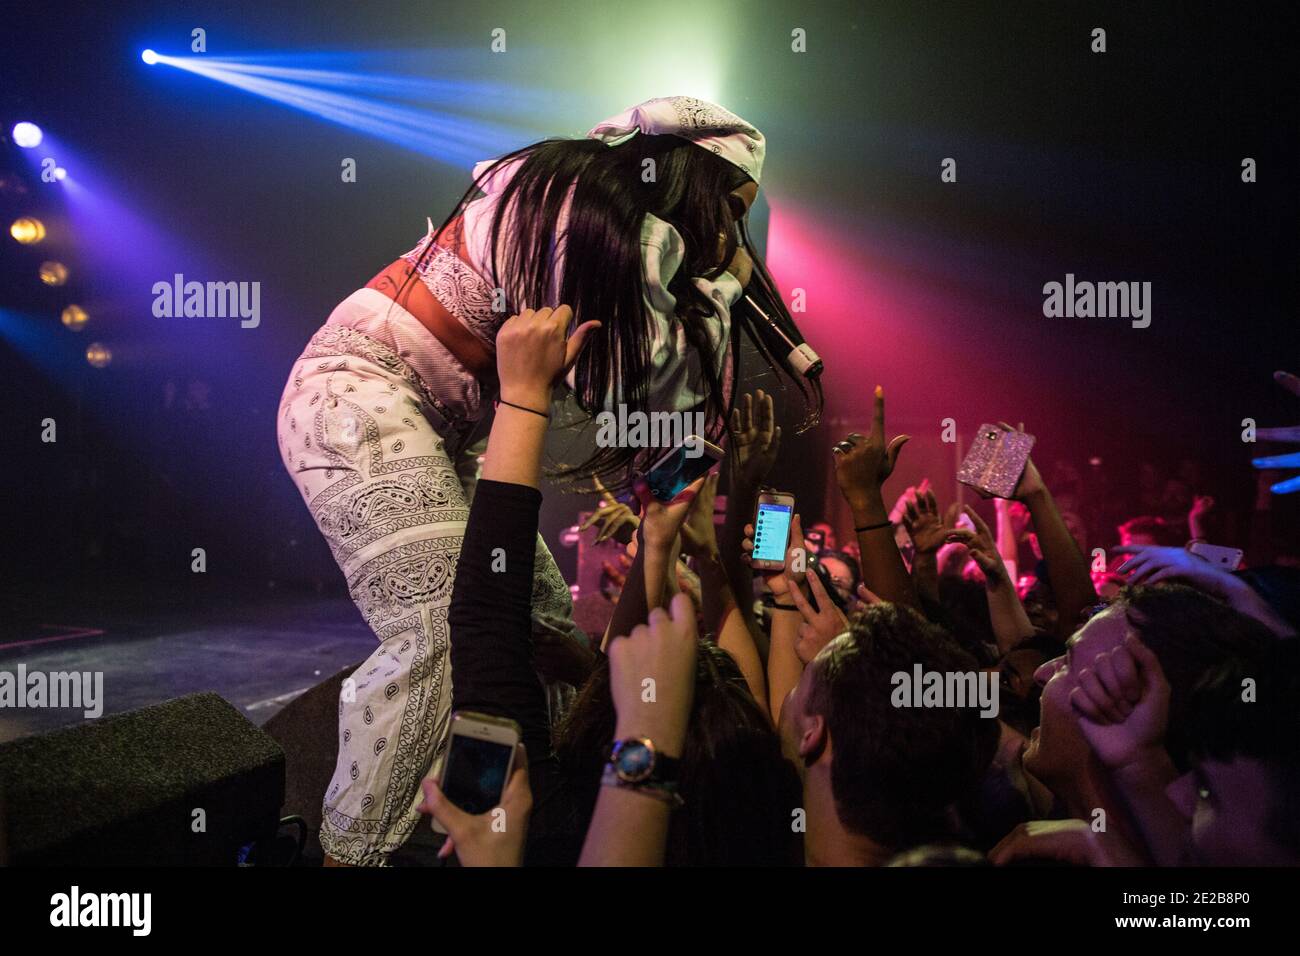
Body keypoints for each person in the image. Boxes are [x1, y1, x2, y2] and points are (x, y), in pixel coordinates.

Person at [277, 96, 817, 866]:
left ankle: (503, 836)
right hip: (358, 394)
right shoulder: (582, 209)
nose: (733, 237)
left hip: (443, 424)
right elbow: (651, 379)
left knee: (546, 630)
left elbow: (659, 393)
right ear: (698, 181)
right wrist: (729, 284)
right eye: (732, 211)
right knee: (444, 632)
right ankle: (346, 857)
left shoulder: (612, 217)